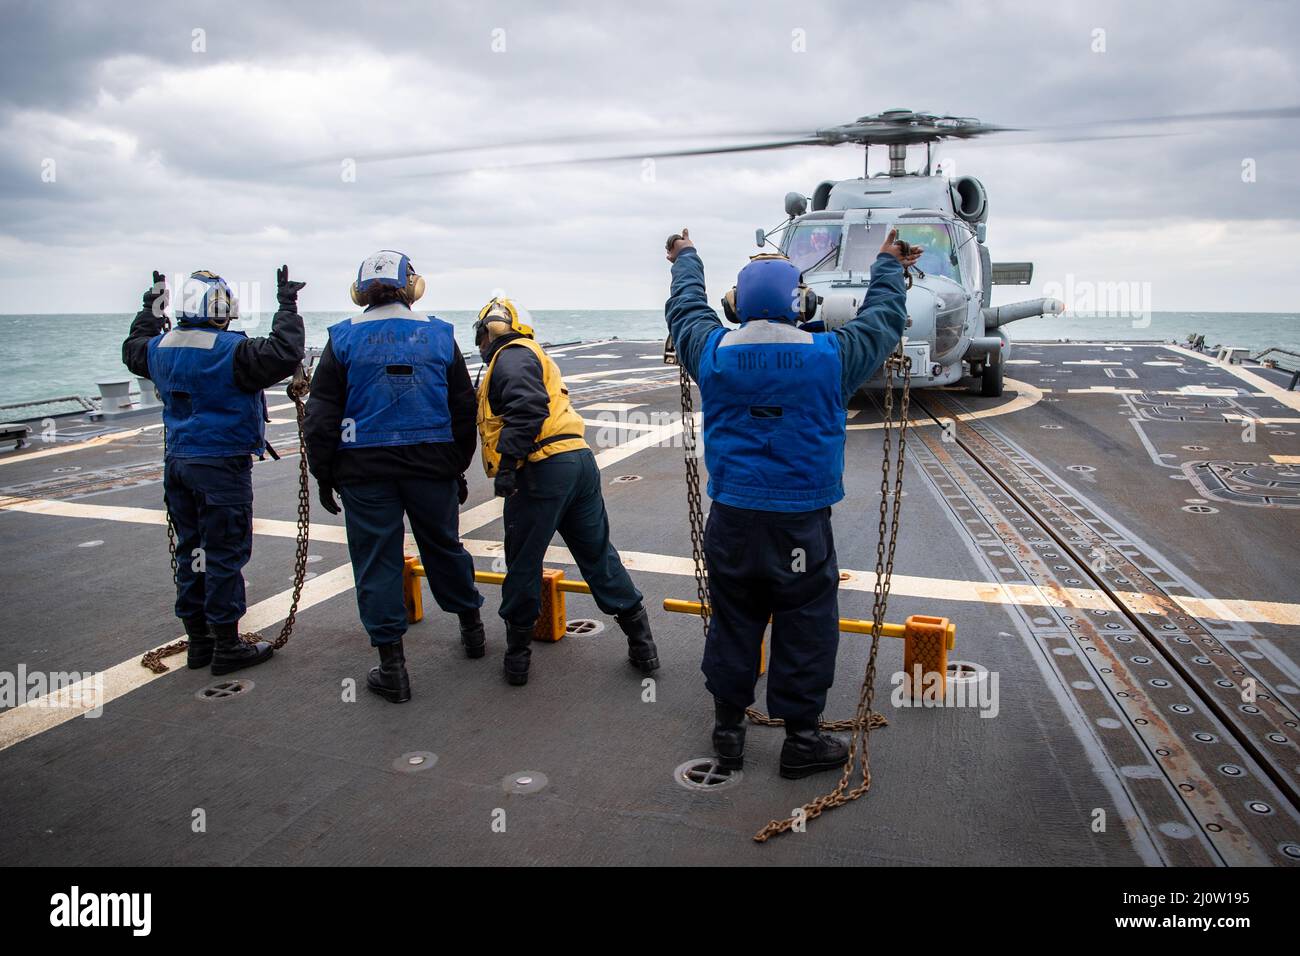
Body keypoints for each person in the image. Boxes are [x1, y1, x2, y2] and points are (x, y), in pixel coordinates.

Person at [663, 226, 918, 779]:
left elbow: (685, 310)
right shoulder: (831, 355)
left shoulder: (711, 353)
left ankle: (728, 731)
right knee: (805, 622)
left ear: (735, 306)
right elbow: (882, 320)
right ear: (800, 303)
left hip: (732, 520)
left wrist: (686, 257)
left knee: (733, 619)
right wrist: (888, 265)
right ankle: (802, 742)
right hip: (800, 527)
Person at [304, 250, 485, 704]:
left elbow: (322, 416)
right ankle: (473, 631)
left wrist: (323, 473)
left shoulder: (343, 339)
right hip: (431, 467)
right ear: (412, 286)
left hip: (364, 472)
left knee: (376, 561)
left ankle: (394, 669)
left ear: (361, 291)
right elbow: (464, 410)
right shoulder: (440, 336)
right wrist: (456, 466)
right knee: (444, 547)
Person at [122, 267, 306, 675]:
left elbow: (132, 345)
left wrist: (151, 305)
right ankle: (227, 647)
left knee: (193, 551)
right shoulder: (232, 351)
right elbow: (284, 352)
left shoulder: (159, 347)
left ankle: (199, 644)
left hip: (179, 464)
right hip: (221, 466)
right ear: (220, 308)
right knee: (223, 553)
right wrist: (287, 306)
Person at [473, 296, 659, 686]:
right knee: (596, 554)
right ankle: (643, 644)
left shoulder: (511, 356)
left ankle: (517, 658)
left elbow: (528, 408)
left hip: (542, 470)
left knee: (523, 562)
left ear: (490, 330)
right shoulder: (533, 353)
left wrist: (507, 466)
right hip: (578, 462)